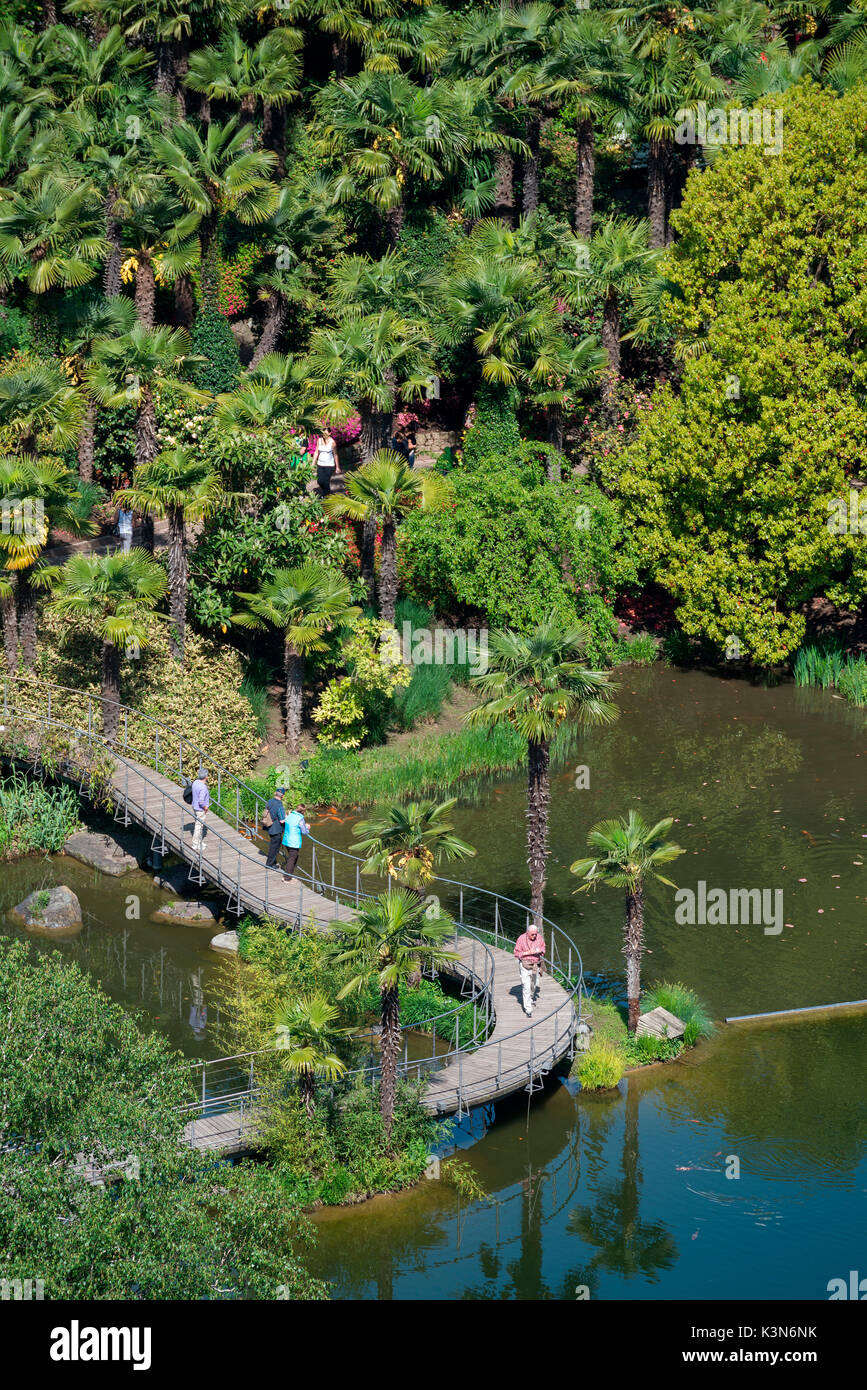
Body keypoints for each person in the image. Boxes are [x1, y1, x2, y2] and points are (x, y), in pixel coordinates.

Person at [514, 923, 546, 1017]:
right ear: (528, 933)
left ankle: (531, 998)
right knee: (526, 986)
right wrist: (528, 952)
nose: (535, 936)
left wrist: (539, 950)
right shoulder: (521, 938)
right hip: (525, 965)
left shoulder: (539, 938)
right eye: (532, 934)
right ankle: (528, 1009)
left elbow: (543, 948)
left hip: (536, 965)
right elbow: (516, 953)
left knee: (534, 985)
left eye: (536, 934)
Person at [281, 803, 310, 882]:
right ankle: (287, 878)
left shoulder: (290, 815)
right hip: (293, 842)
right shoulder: (300, 818)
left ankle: (289, 873)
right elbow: (304, 831)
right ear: (303, 811)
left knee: (294, 856)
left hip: (286, 839)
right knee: (292, 858)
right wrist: (307, 828)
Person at [311, 427, 340, 497]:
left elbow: (335, 454)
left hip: (329, 465)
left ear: (330, 433)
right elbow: (316, 452)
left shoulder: (332, 442)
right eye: (323, 434)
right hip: (320, 464)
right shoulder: (319, 440)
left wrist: (337, 467)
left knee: (326, 482)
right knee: (320, 481)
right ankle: (327, 492)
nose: (324, 435)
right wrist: (313, 463)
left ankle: (325, 496)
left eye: (326, 433)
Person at [264, 785, 287, 867]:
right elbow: (282, 820)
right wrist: (288, 817)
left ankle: (272, 861)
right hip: (276, 829)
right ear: (282, 796)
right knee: (274, 847)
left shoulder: (270, 801)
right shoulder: (279, 805)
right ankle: (270, 864)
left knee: (273, 846)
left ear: (275, 793)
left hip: (269, 826)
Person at [191, 767, 210, 855]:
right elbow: (201, 801)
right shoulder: (203, 787)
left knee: (198, 824)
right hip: (200, 809)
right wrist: (205, 807)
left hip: (194, 807)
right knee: (199, 826)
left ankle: (199, 842)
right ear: (206, 777)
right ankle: (195, 844)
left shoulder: (195, 782)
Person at [115, 477, 134, 554]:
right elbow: (134, 524)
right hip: (128, 532)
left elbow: (114, 520)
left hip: (120, 531)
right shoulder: (132, 512)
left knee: (122, 549)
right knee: (127, 551)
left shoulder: (119, 510)